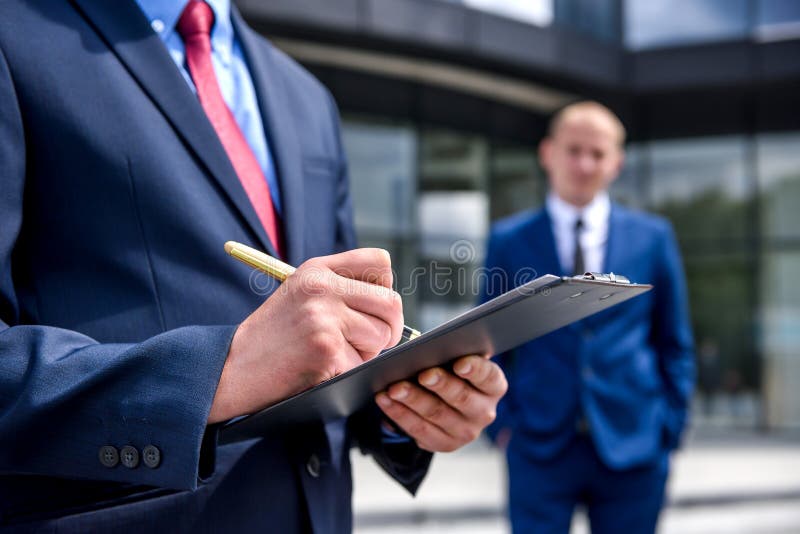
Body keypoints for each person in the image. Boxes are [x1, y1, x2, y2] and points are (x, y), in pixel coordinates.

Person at [0, 0, 507, 532]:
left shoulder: (306, 95)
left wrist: (413, 407)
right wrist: (221, 371)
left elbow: (337, 351)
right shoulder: (17, 34)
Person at [481, 101, 695, 534]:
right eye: (573, 150)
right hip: (538, 445)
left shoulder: (653, 238)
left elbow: (675, 341)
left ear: (617, 163)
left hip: (633, 443)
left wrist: (669, 427)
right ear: (547, 153)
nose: (583, 164)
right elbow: (489, 342)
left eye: (597, 154)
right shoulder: (508, 240)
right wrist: (501, 428)